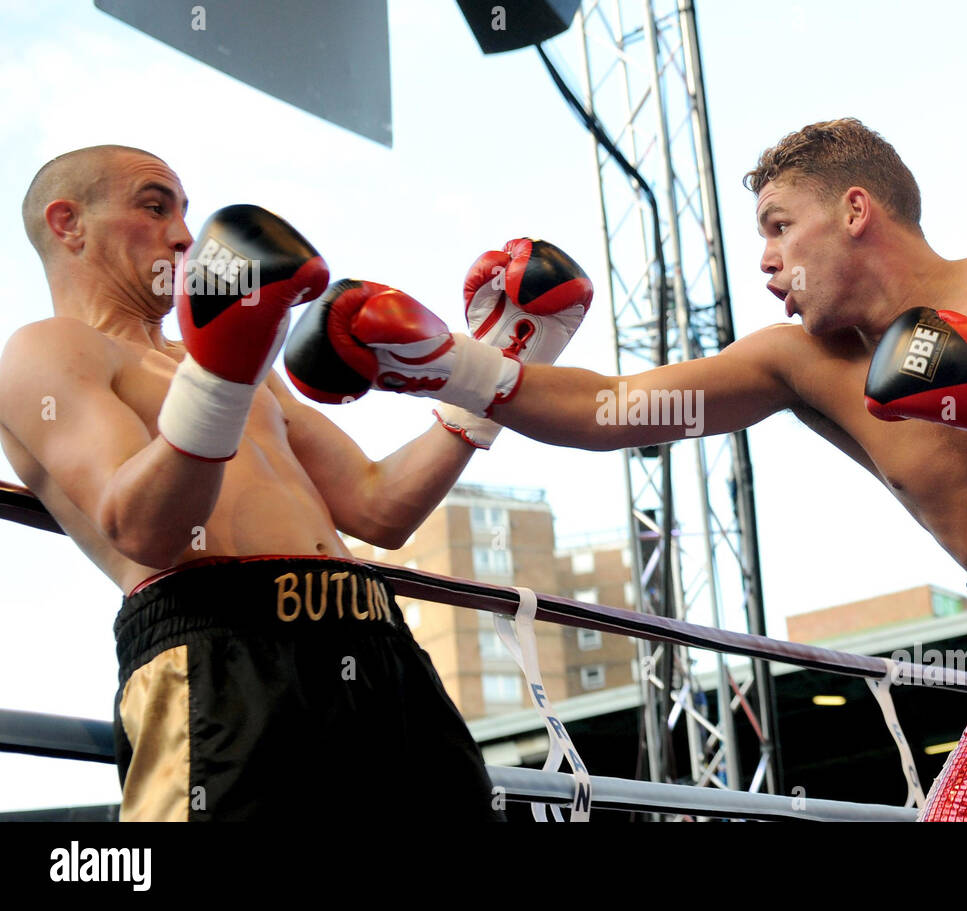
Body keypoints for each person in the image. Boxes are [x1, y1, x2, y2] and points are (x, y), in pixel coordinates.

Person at [291, 119, 967, 821]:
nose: (764, 259)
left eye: (778, 225)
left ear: (855, 208)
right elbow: (610, 409)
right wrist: (445, 360)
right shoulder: (797, 363)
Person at [0, 144, 588, 821]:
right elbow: (147, 528)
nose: (185, 235)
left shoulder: (234, 365)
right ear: (68, 222)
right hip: (222, 655)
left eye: (187, 212)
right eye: (155, 206)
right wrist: (221, 373)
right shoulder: (48, 350)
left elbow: (379, 505)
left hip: (376, 644)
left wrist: (495, 369)